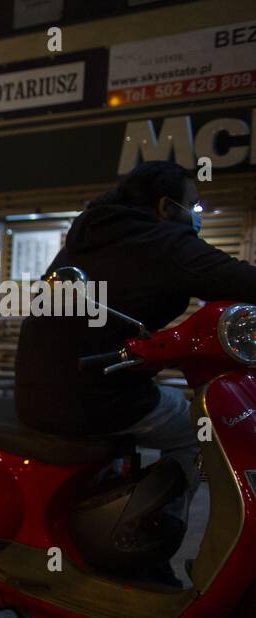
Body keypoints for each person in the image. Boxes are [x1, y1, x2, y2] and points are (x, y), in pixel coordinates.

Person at [16, 160, 256, 576]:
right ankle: (151, 538)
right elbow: (239, 279)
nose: (196, 217)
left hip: (36, 392)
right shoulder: (161, 241)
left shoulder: (90, 235)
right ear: (166, 206)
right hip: (94, 397)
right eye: (194, 207)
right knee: (200, 433)